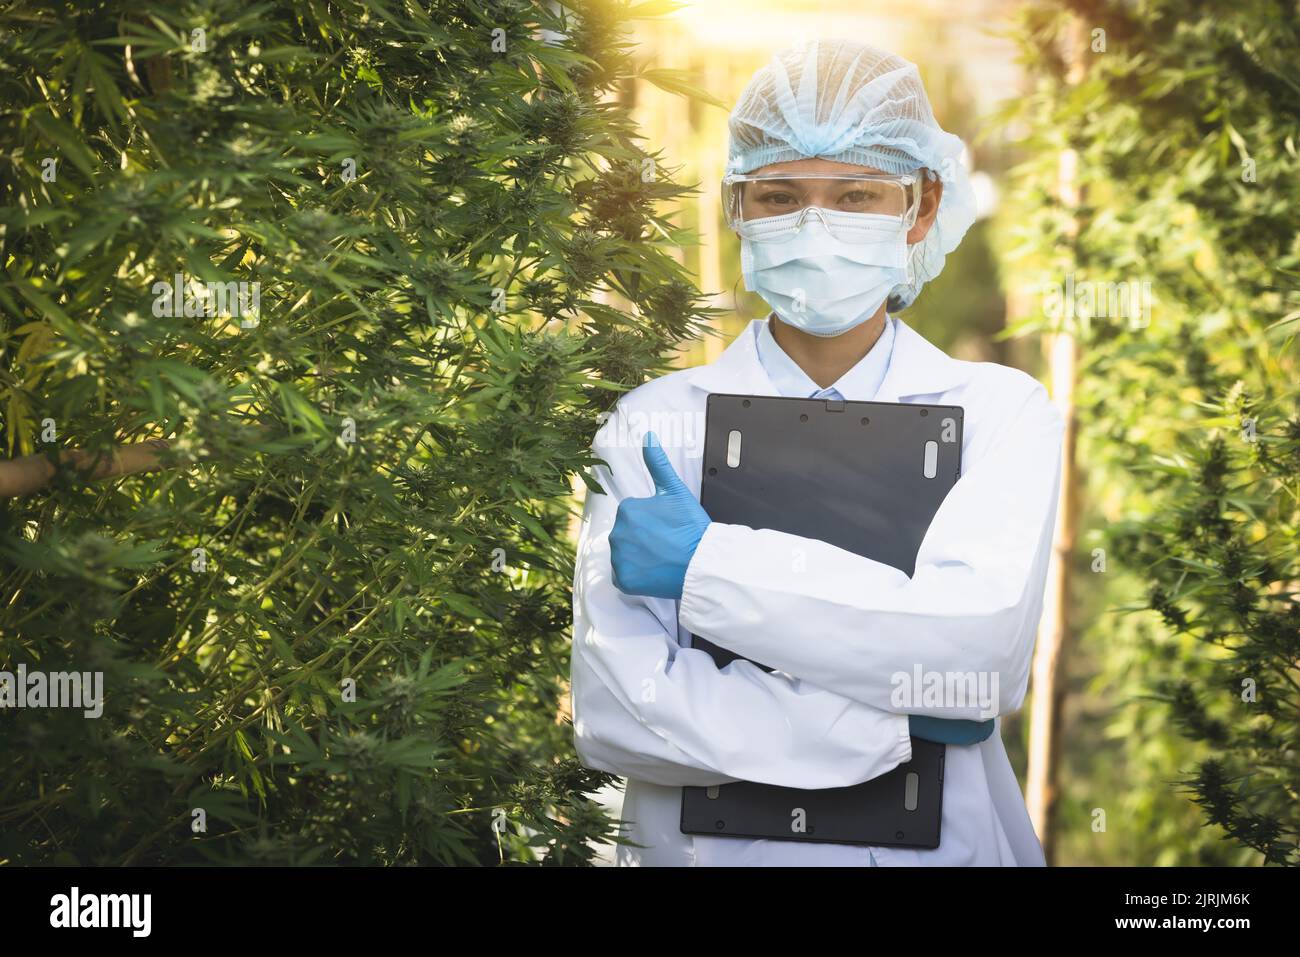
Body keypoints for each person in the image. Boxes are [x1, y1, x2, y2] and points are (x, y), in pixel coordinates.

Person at [569, 39, 1064, 866]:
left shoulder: (1001, 413)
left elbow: (975, 660)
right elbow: (620, 710)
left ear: (923, 206)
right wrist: (899, 715)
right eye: (780, 194)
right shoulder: (652, 424)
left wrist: (705, 567)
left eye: (856, 193)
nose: (814, 223)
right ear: (737, 208)